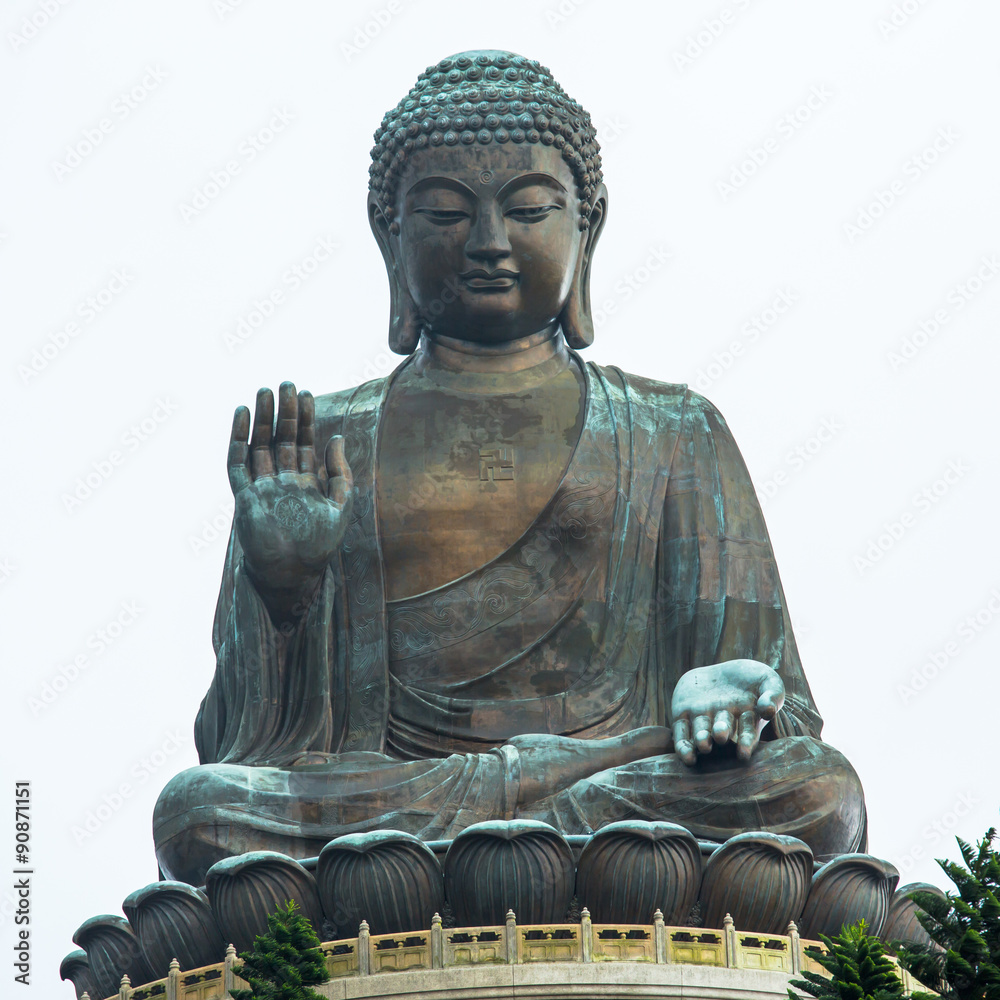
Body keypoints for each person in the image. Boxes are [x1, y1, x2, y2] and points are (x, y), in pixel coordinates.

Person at [154, 50, 866, 888]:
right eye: (447, 214)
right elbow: (243, 745)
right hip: (396, 803)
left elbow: (772, 709)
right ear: (392, 235)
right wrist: (282, 593)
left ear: (586, 230)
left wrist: (728, 691)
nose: (489, 242)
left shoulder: (674, 428)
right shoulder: (326, 440)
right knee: (200, 812)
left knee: (817, 792)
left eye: (528, 209)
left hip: (615, 788)